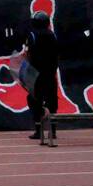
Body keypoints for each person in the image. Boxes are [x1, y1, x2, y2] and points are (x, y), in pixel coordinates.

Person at [25, 12, 60, 140]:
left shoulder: (33, 35)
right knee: (52, 102)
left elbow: (29, 55)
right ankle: (53, 131)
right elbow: (57, 54)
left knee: (34, 101)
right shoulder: (52, 35)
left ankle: (38, 130)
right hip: (50, 73)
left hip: (37, 74)